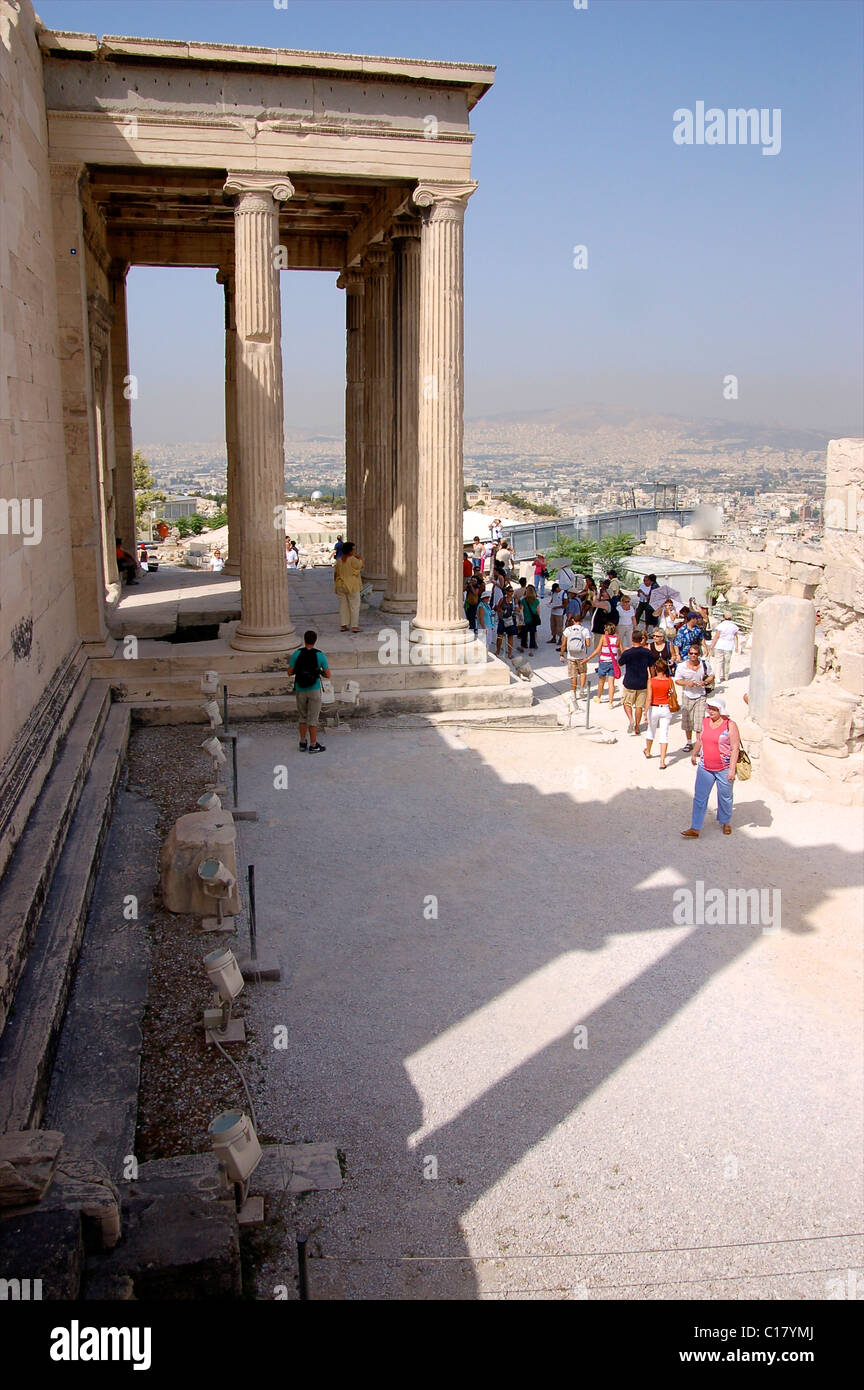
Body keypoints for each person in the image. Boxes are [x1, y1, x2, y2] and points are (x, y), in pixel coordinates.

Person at [681, 696, 740, 837]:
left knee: (725, 797)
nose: (711, 711)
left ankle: (725, 822)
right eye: (710, 708)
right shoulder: (705, 722)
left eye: (714, 709)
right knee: (700, 798)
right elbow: (701, 740)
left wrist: (732, 769)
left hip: (724, 768)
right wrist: (694, 753)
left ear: (721, 710)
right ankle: (695, 828)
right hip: (705, 767)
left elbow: (735, 748)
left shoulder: (730, 725)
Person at [289, 629, 331, 754]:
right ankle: (313, 745)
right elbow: (328, 675)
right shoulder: (320, 655)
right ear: (315, 640)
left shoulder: (297, 653)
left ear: (304, 639)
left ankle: (302, 742)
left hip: (300, 688)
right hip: (314, 689)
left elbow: (289, 672)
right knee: (313, 718)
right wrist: (319, 672)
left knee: (302, 716)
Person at [675, 644, 713, 750]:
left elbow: (711, 675)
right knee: (687, 720)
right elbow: (677, 680)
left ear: (699, 655)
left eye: (695, 654)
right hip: (687, 694)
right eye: (691, 653)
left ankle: (699, 745)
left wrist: (705, 682)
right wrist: (687, 683)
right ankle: (688, 742)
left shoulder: (705, 665)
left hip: (701, 695)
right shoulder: (682, 666)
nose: (693, 655)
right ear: (688, 654)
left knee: (699, 721)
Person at [618, 629, 654, 735]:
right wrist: (652, 678)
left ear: (632, 639)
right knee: (639, 706)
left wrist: (622, 652)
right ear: (641, 639)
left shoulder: (628, 653)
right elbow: (651, 667)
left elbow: (620, 663)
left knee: (626, 703)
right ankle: (637, 726)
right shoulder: (647, 652)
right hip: (642, 681)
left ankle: (631, 720)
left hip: (629, 681)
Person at [644, 656, 674, 768]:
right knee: (664, 734)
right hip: (665, 708)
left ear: (656, 668)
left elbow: (649, 697)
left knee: (651, 731)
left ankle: (648, 751)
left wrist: (645, 712)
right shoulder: (669, 681)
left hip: (654, 707)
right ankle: (662, 761)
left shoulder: (651, 681)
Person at [586, 621, 620, 705]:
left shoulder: (603, 637)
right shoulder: (618, 639)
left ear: (607, 630)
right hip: (613, 662)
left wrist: (588, 658)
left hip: (603, 662)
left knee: (601, 681)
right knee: (611, 683)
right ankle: (611, 703)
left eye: (605, 629)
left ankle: (599, 697)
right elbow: (621, 651)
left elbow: (597, 650)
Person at [334, 540, 364, 631]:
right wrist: (360, 558)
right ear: (350, 551)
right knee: (354, 605)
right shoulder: (353, 559)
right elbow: (361, 566)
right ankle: (354, 626)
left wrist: (335, 584)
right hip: (352, 585)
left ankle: (343, 625)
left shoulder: (339, 560)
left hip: (340, 584)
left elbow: (335, 574)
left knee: (343, 605)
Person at [561, 610, 591, 700]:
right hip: (582, 655)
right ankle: (582, 690)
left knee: (573, 675)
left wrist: (562, 654)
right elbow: (588, 644)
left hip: (571, 656)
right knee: (583, 673)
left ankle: (573, 693)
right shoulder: (585, 630)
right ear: (581, 621)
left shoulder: (568, 630)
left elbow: (564, 643)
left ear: (573, 620)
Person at [709, 611, 741, 682]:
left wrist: (712, 645)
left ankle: (717, 678)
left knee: (718, 661)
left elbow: (716, 636)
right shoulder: (734, 626)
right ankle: (726, 676)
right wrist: (736, 646)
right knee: (727, 662)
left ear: (724, 617)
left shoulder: (721, 625)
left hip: (720, 645)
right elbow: (735, 637)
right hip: (729, 646)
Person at [495, 584, 519, 659]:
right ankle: (498, 651)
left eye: (512, 591)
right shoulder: (502, 599)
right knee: (500, 636)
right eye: (510, 591)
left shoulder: (514, 600)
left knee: (510, 637)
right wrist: (501, 611)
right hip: (502, 619)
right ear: (506, 592)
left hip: (511, 619)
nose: (511, 592)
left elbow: (518, 609)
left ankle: (509, 653)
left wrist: (517, 609)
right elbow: (497, 608)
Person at [521, 583, 541, 651]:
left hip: (525, 619)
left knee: (524, 634)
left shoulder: (523, 601)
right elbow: (538, 611)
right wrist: (537, 617)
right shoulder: (536, 601)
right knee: (532, 635)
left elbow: (521, 610)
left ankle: (523, 647)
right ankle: (531, 650)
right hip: (533, 620)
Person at [547, 582, 565, 647]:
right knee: (553, 625)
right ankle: (553, 637)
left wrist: (557, 607)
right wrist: (550, 603)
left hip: (559, 613)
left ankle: (560, 639)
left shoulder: (563, 594)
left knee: (559, 626)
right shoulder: (554, 593)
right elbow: (552, 599)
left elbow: (565, 604)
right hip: (553, 612)